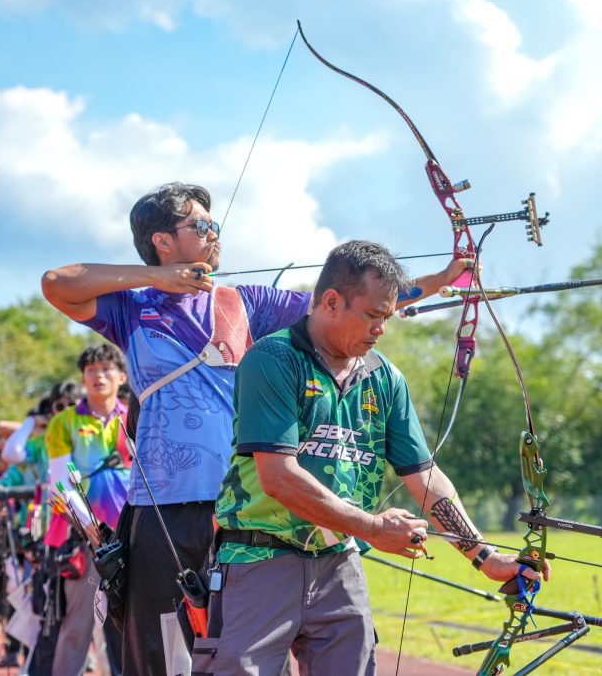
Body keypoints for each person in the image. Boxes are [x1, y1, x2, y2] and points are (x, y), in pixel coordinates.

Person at [41, 183, 474, 676]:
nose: (215, 233)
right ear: (162, 240)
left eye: (214, 224)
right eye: (201, 225)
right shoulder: (131, 309)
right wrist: (157, 277)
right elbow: (56, 283)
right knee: (162, 654)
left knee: (249, 656)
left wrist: (443, 278)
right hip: (163, 510)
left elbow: (349, 305)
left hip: (242, 515)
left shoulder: (243, 302)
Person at [193, 240, 552, 674]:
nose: (382, 328)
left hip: (339, 563)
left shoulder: (384, 378)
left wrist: (486, 557)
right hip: (261, 559)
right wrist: (374, 529)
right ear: (331, 301)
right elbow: (279, 477)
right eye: (373, 315)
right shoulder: (274, 359)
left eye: (388, 316)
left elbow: (425, 477)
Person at [43, 343, 131, 676]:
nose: (98, 376)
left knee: (132, 624)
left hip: (131, 533)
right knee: (78, 624)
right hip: (84, 538)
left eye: (106, 369)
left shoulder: (135, 417)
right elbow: (59, 483)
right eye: (91, 370)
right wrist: (91, 528)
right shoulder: (63, 423)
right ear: (83, 378)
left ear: (122, 377)